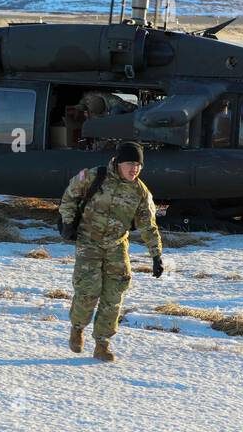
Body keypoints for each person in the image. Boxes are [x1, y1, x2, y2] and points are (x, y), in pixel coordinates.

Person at [57, 140, 164, 362]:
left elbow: (148, 225)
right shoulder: (94, 176)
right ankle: (77, 328)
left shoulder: (141, 192)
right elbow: (69, 196)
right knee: (88, 291)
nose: (134, 169)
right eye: (130, 164)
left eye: (138, 165)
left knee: (114, 295)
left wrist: (156, 254)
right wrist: (67, 222)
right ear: (118, 162)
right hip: (89, 242)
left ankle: (102, 344)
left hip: (117, 246)